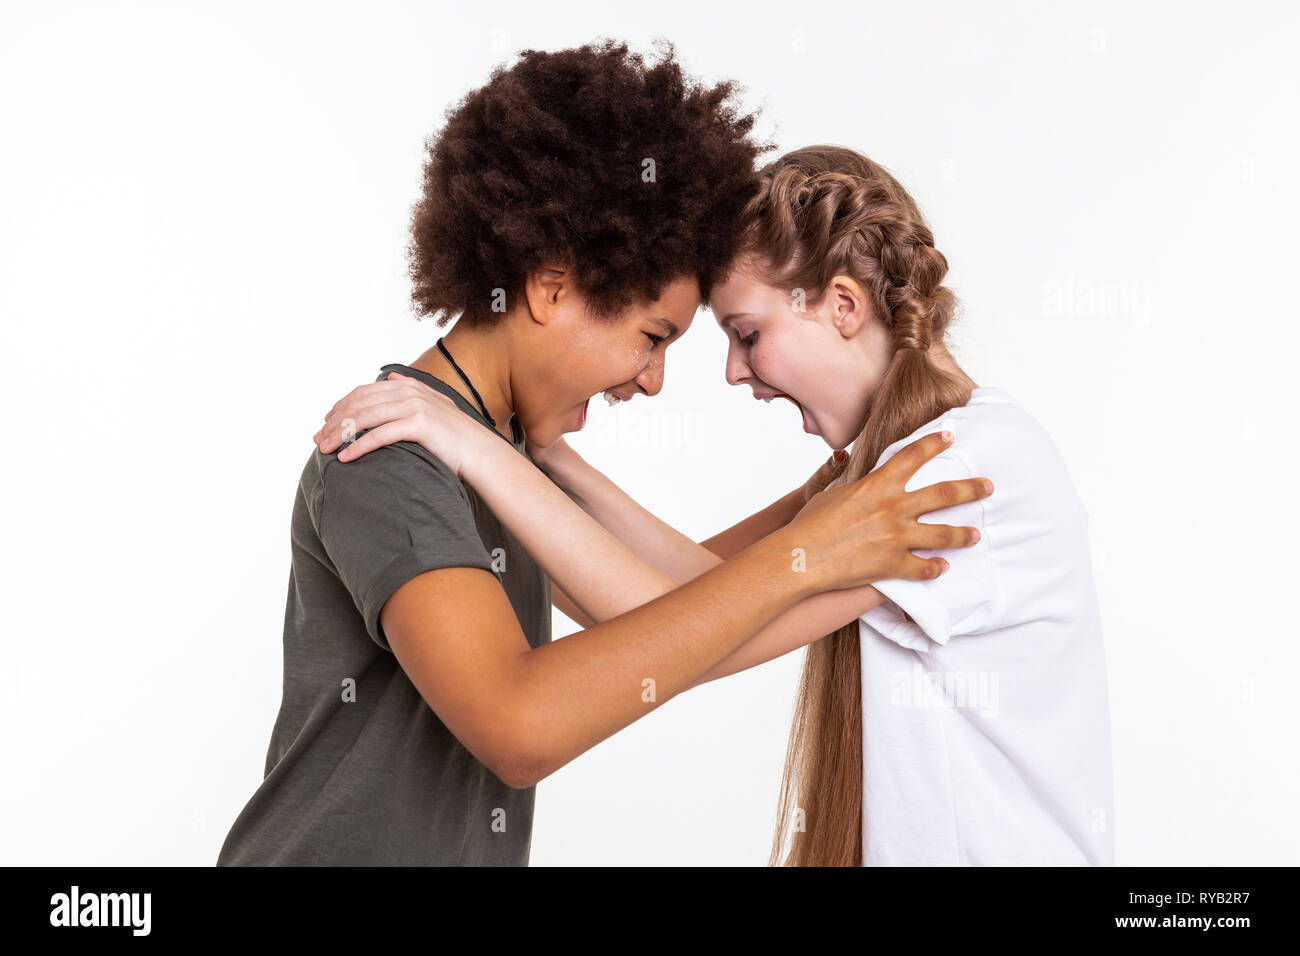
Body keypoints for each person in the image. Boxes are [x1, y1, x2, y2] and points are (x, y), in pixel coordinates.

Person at [217, 45, 991, 867]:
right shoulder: (390, 453)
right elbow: (519, 725)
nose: (653, 382)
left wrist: (833, 494)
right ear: (552, 289)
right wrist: (812, 556)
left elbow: (679, 609)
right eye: (652, 339)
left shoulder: (497, 453)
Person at [314, 144, 1113, 867]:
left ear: (841, 305)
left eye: (747, 333)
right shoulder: (880, 477)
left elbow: (683, 622)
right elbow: (701, 594)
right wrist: (549, 457)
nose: (733, 373)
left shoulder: (954, 473)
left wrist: (478, 447)